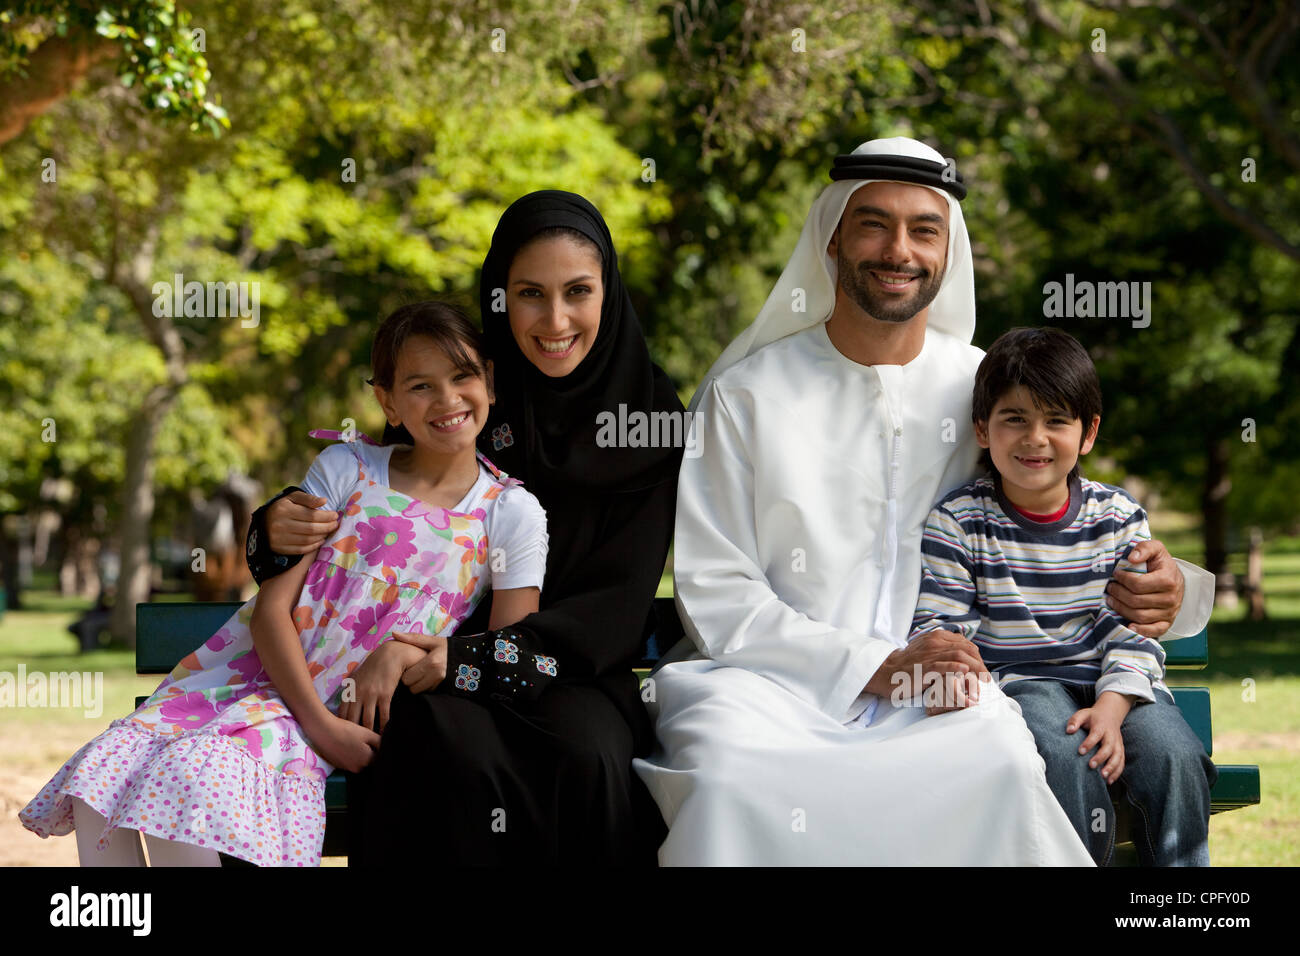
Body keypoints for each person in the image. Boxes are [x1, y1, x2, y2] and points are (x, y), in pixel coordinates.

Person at [633, 136, 1214, 865]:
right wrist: (873, 665)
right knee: (730, 784)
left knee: (1002, 766)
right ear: (834, 237)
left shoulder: (985, 390)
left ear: (948, 249)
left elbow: (1070, 514)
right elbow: (717, 589)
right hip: (765, 686)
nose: (897, 249)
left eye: (923, 228)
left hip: (948, 691)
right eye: (873, 223)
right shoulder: (746, 395)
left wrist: (1172, 589)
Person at [20, 301, 548, 866]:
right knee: (106, 776)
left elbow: (502, 651)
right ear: (388, 401)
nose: (447, 400)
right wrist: (317, 725)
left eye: (463, 376)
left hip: (338, 709)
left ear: (489, 381)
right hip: (256, 679)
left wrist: (338, 713)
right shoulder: (347, 470)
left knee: (187, 780)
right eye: (420, 385)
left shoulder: (509, 512)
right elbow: (272, 611)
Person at [245, 191, 683, 865]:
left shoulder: (648, 420)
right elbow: (376, 494)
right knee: (445, 747)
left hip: (573, 671)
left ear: (609, 293)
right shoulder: (467, 390)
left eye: (578, 292)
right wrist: (277, 522)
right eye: (530, 293)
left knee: (587, 755)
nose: (555, 318)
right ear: (500, 298)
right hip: (429, 665)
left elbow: (615, 608)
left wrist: (474, 660)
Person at [909, 326, 1216, 865]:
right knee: (1063, 752)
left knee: (1176, 754)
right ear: (982, 428)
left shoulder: (1118, 519)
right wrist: (947, 674)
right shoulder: (957, 522)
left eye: (1056, 420)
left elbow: (1134, 630)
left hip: (1119, 686)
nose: (1036, 438)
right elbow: (941, 628)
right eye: (1014, 419)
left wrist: (1113, 705)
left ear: (1088, 432)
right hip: (1021, 685)